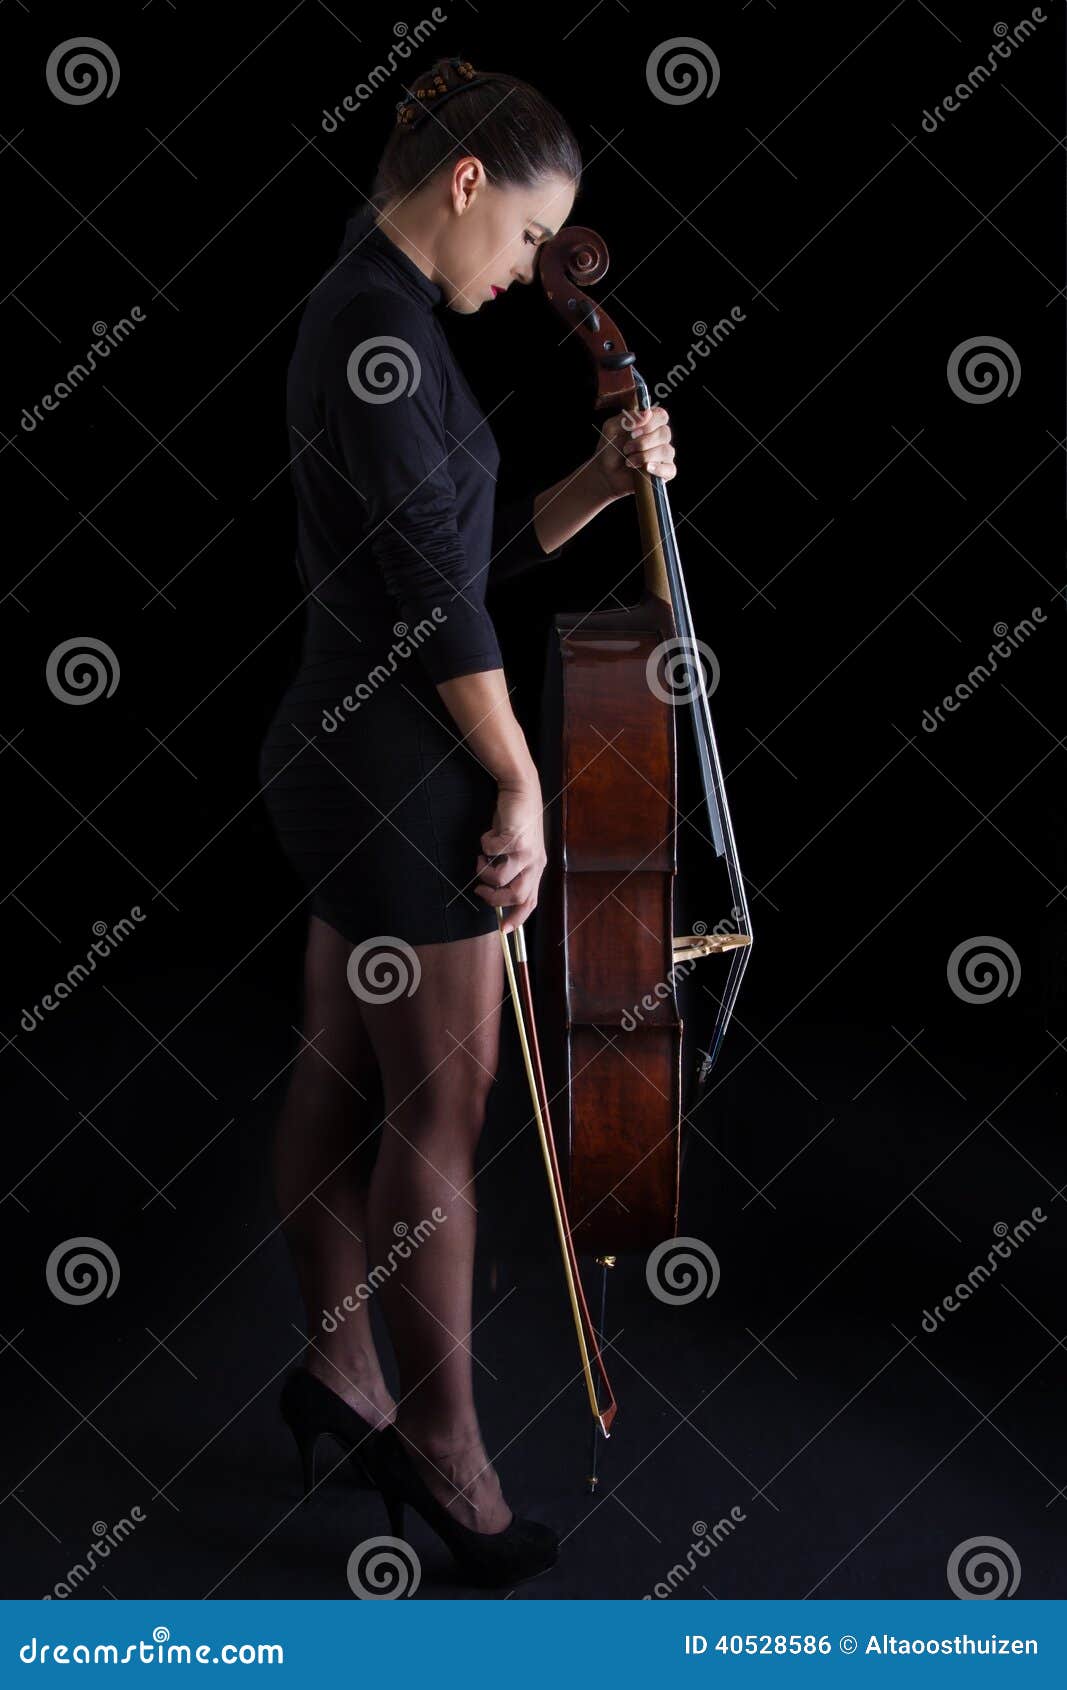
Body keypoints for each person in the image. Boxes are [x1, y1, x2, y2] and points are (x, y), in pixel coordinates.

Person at [257, 53, 676, 1587]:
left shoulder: (378, 316)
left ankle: (341, 1371)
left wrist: (598, 483)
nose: (530, 270)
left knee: (338, 1068)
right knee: (438, 1110)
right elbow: (437, 600)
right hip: (394, 766)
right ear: (465, 182)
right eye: (528, 235)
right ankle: (444, 1452)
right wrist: (517, 779)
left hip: (351, 753)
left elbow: (466, 549)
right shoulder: (380, 330)